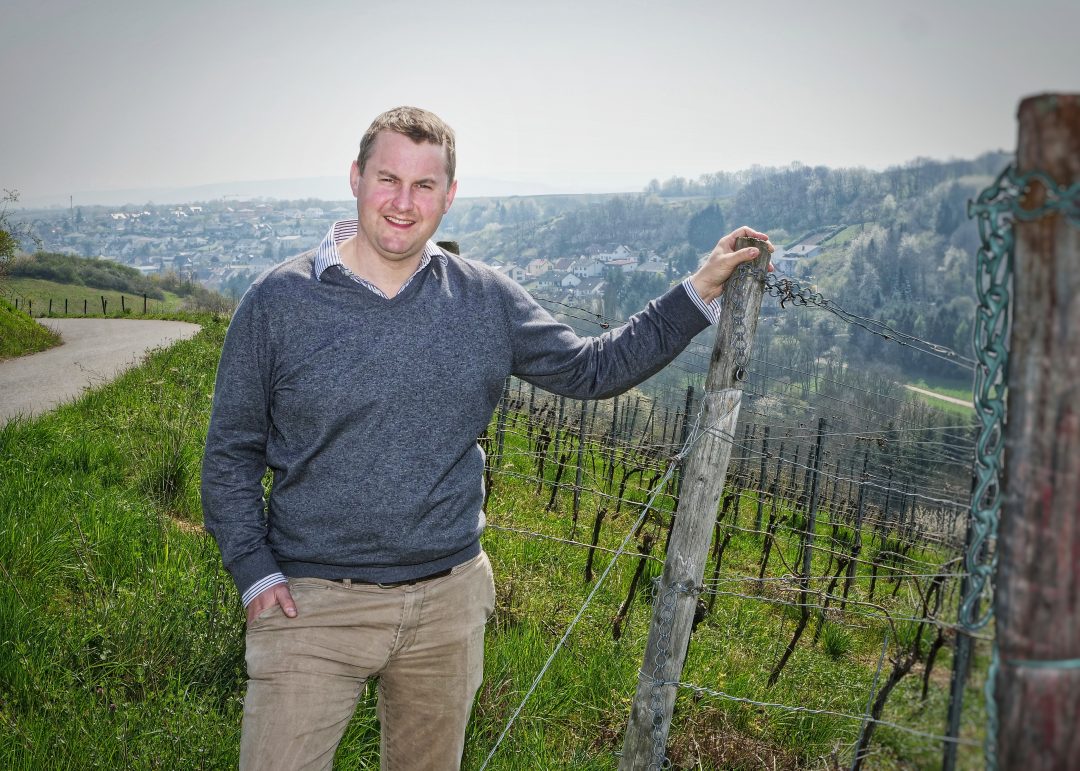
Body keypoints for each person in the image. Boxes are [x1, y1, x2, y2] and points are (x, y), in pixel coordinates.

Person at [201, 105, 771, 771]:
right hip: (314, 604)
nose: (403, 203)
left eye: (424, 186)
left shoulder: (482, 298)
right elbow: (231, 450)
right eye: (388, 179)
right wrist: (253, 569)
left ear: (449, 196)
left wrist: (697, 291)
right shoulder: (279, 301)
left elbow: (592, 367)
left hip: (447, 604)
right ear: (356, 178)